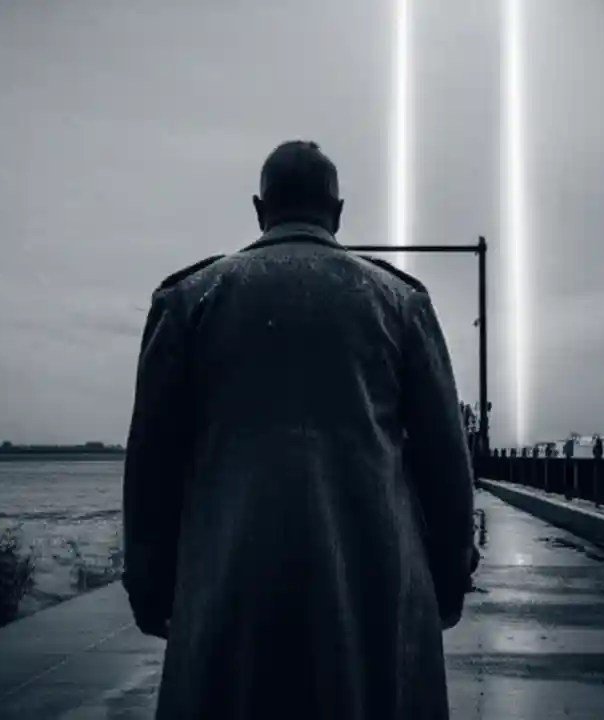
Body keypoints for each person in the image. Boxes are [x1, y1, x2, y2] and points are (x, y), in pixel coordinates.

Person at [121, 140, 478, 719]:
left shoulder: (187, 301)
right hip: (375, 586)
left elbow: (151, 466)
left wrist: (149, 581)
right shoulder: (399, 302)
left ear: (260, 210)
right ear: (337, 212)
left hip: (229, 583)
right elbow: (445, 463)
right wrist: (450, 576)